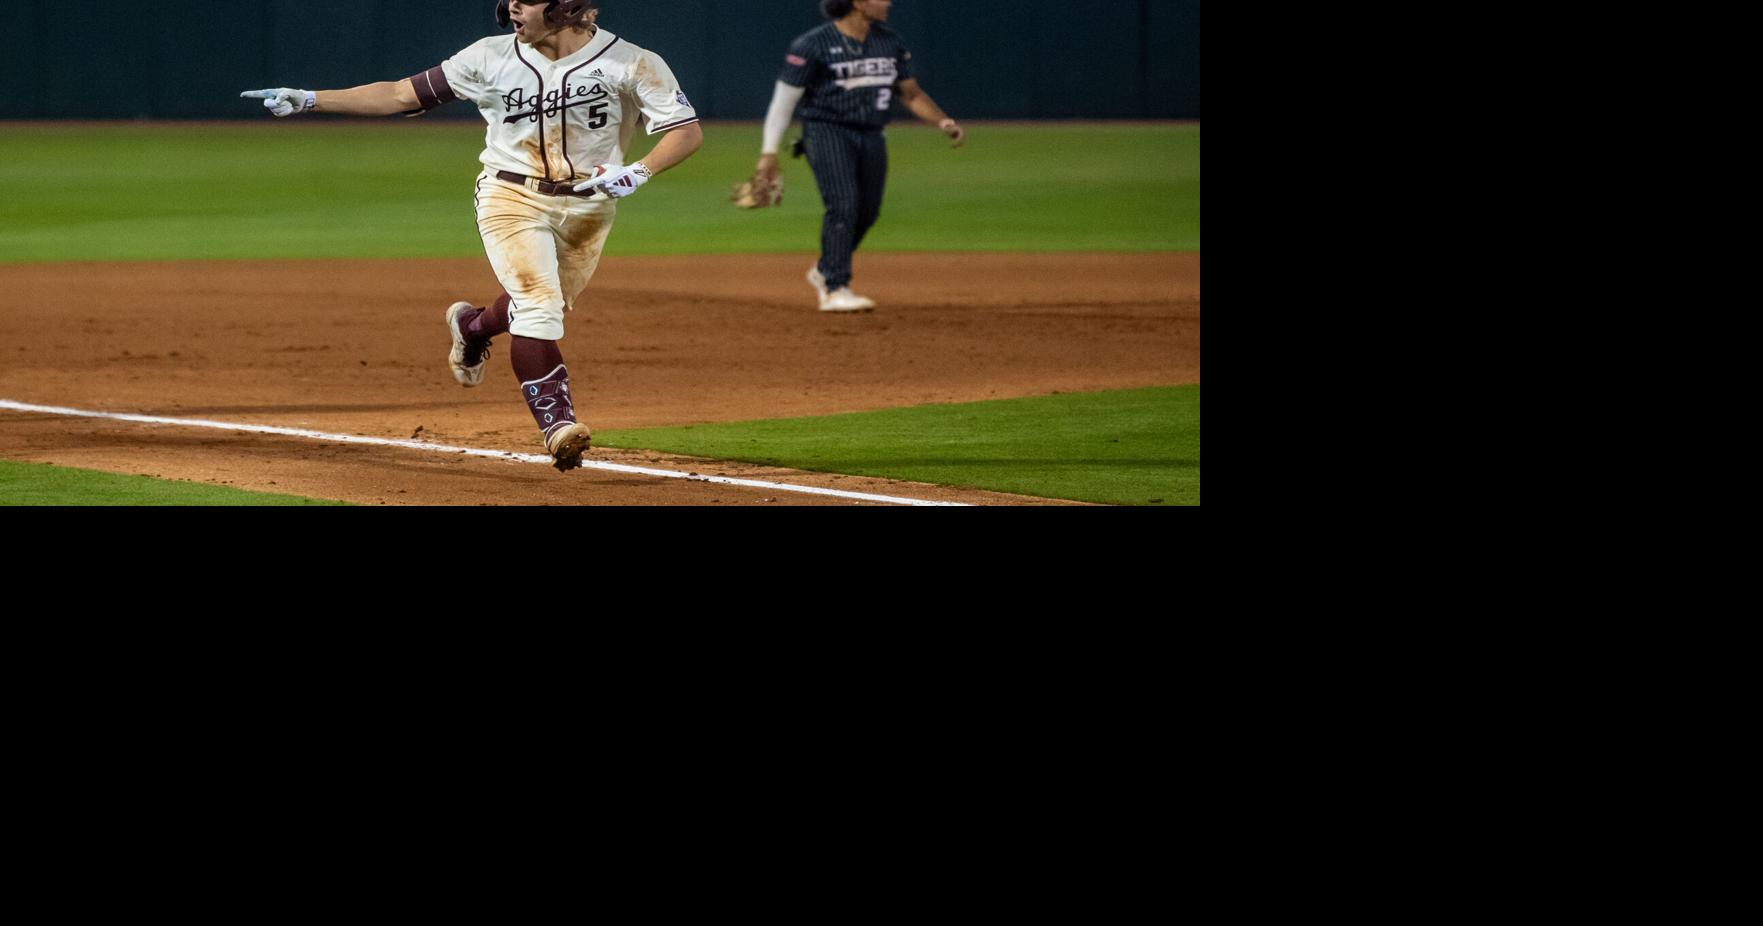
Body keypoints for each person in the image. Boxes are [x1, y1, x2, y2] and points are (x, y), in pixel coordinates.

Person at [241, 0, 702, 472]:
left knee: (543, 301)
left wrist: (639, 171)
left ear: (565, 8)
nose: (512, 9)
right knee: (539, 305)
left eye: (526, 1)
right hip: (510, 196)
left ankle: (472, 326)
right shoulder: (488, 56)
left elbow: (685, 132)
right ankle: (558, 426)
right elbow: (401, 94)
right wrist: (312, 98)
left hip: (589, 206)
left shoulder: (632, 62)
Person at [752, 0, 964, 312]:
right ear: (858, 3)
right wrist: (769, 151)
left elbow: (911, 93)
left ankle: (825, 268)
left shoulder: (888, 41)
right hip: (827, 132)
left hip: (872, 133)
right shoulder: (812, 44)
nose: (887, 2)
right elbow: (784, 101)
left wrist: (942, 121)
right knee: (843, 204)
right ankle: (835, 286)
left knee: (868, 212)